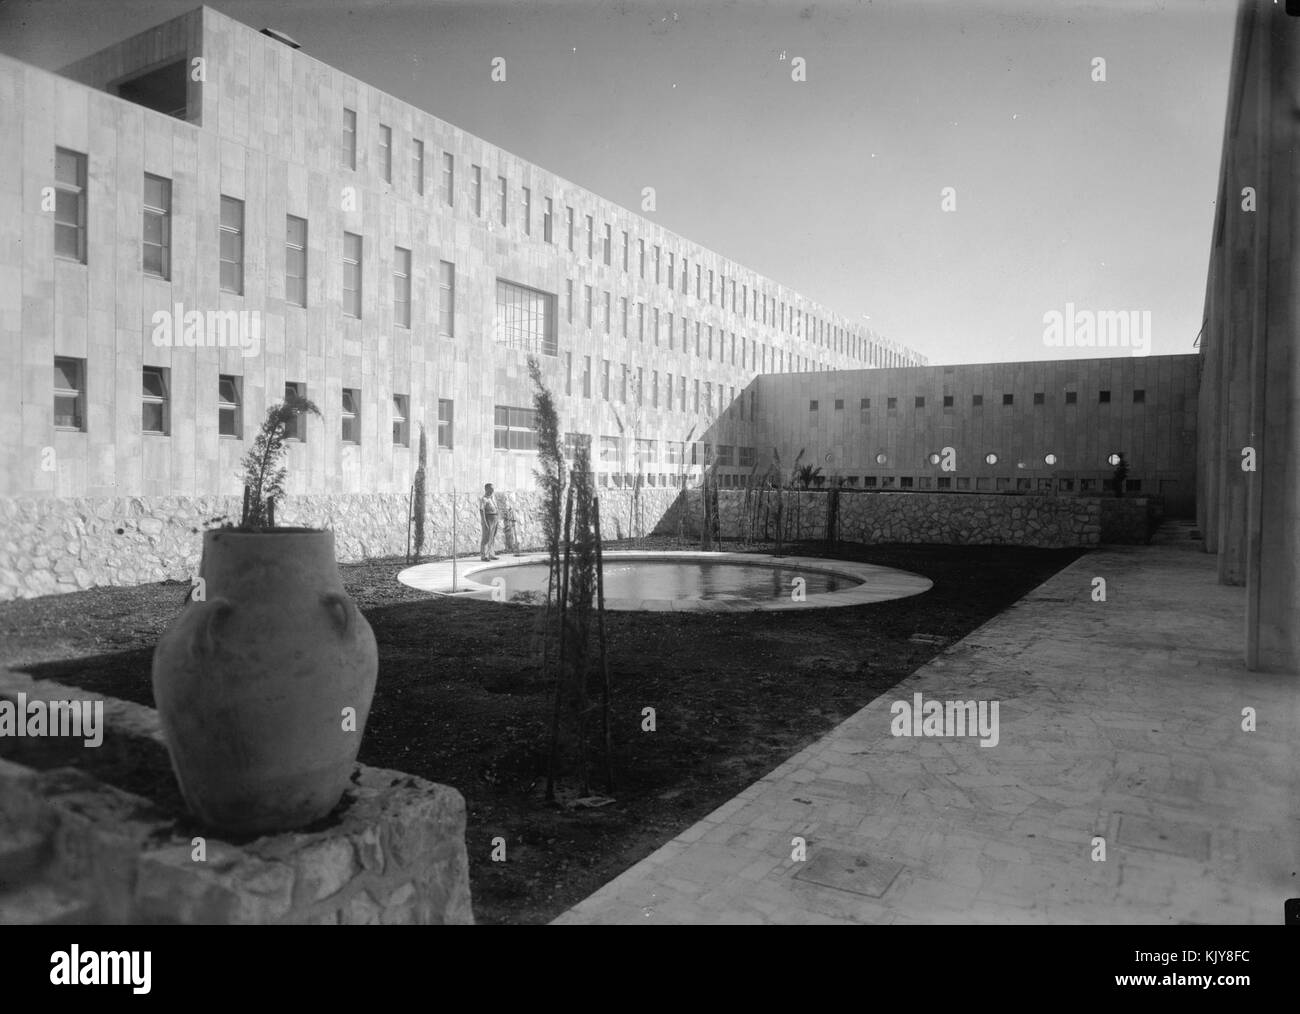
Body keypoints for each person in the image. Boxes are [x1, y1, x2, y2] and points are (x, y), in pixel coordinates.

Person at [480, 483, 500, 560]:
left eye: (493, 489)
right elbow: (482, 511)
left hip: (495, 518)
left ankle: (491, 554)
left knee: (492, 537)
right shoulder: (484, 499)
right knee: (486, 538)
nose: (493, 490)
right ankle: (484, 556)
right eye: (491, 489)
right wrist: (484, 522)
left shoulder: (492, 497)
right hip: (488, 518)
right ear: (486, 489)